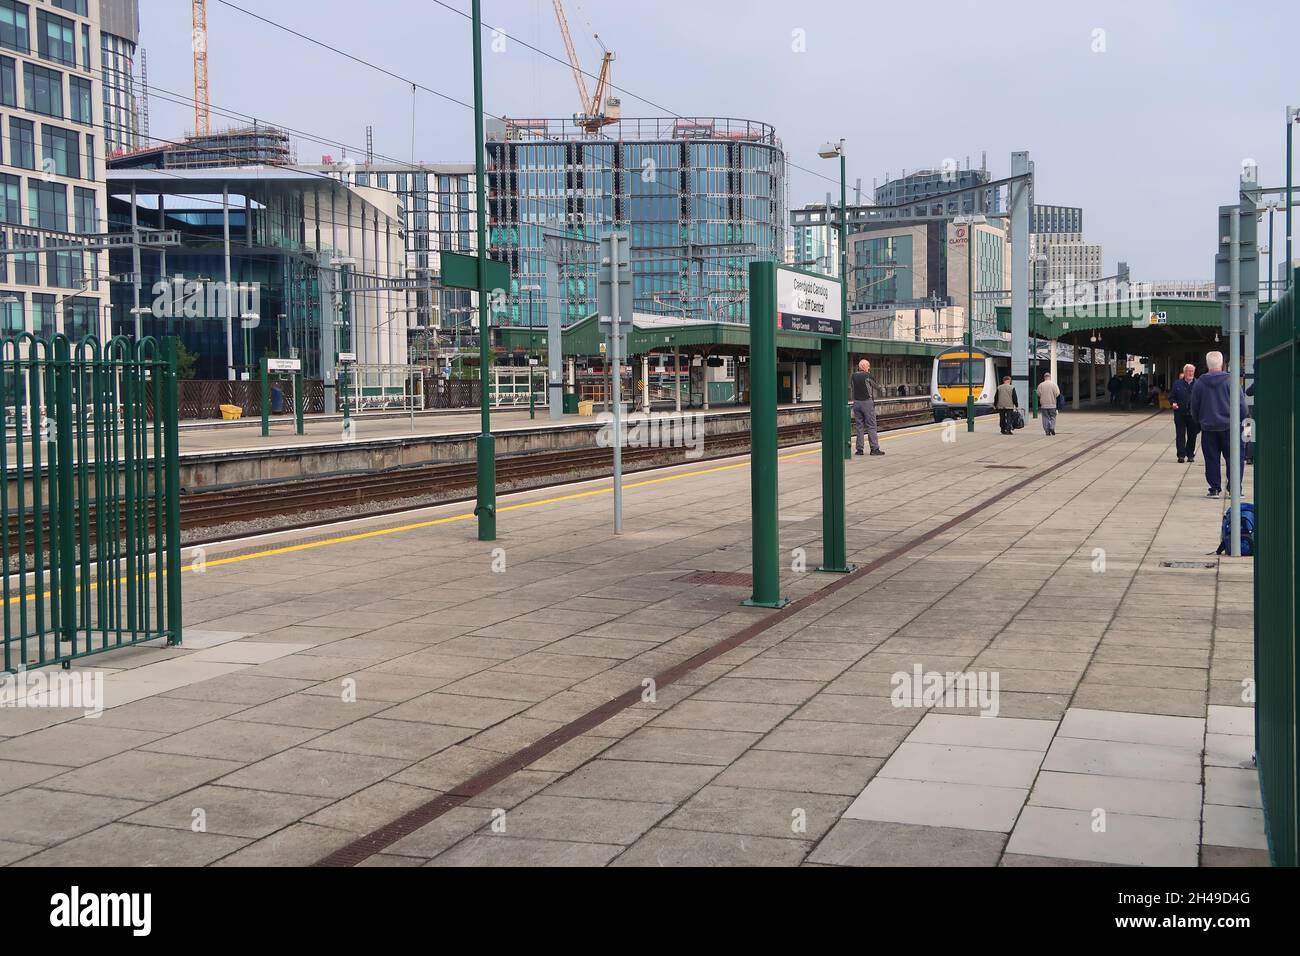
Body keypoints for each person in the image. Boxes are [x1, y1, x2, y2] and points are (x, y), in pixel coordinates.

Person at [1191, 350, 1248, 498]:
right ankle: (1234, 488)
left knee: (1211, 459)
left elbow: (1194, 407)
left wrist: (1199, 422)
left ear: (1207, 364)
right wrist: (1240, 421)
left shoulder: (1199, 383)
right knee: (1235, 458)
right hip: (1230, 428)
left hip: (1208, 427)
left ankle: (1214, 488)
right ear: (1222, 364)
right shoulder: (1231, 381)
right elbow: (1242, 407)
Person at [851, 358, 884, 456]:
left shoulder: (853, 376)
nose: (869, 368)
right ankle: (874, 449)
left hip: (856, 403)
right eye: (868, 366)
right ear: (864, 367)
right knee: (871, 426)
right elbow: (877, 386)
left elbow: (852, 387)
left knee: (859, 426)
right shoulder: (868, 376)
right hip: (867, 403)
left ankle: (859, 449)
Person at [1169, 363, 1198, 464]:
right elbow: (1171, 397)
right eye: (1188, 371)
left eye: (1191, 371)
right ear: (1184, 372)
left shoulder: (1198, 384)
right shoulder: (1177, 383)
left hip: (1193, 415)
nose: (1190, 373)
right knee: (1180, 435)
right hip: (1180, 414)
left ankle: (1190, 454)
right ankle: (1181, 455)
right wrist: (1173, 403)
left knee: (1192, 435)